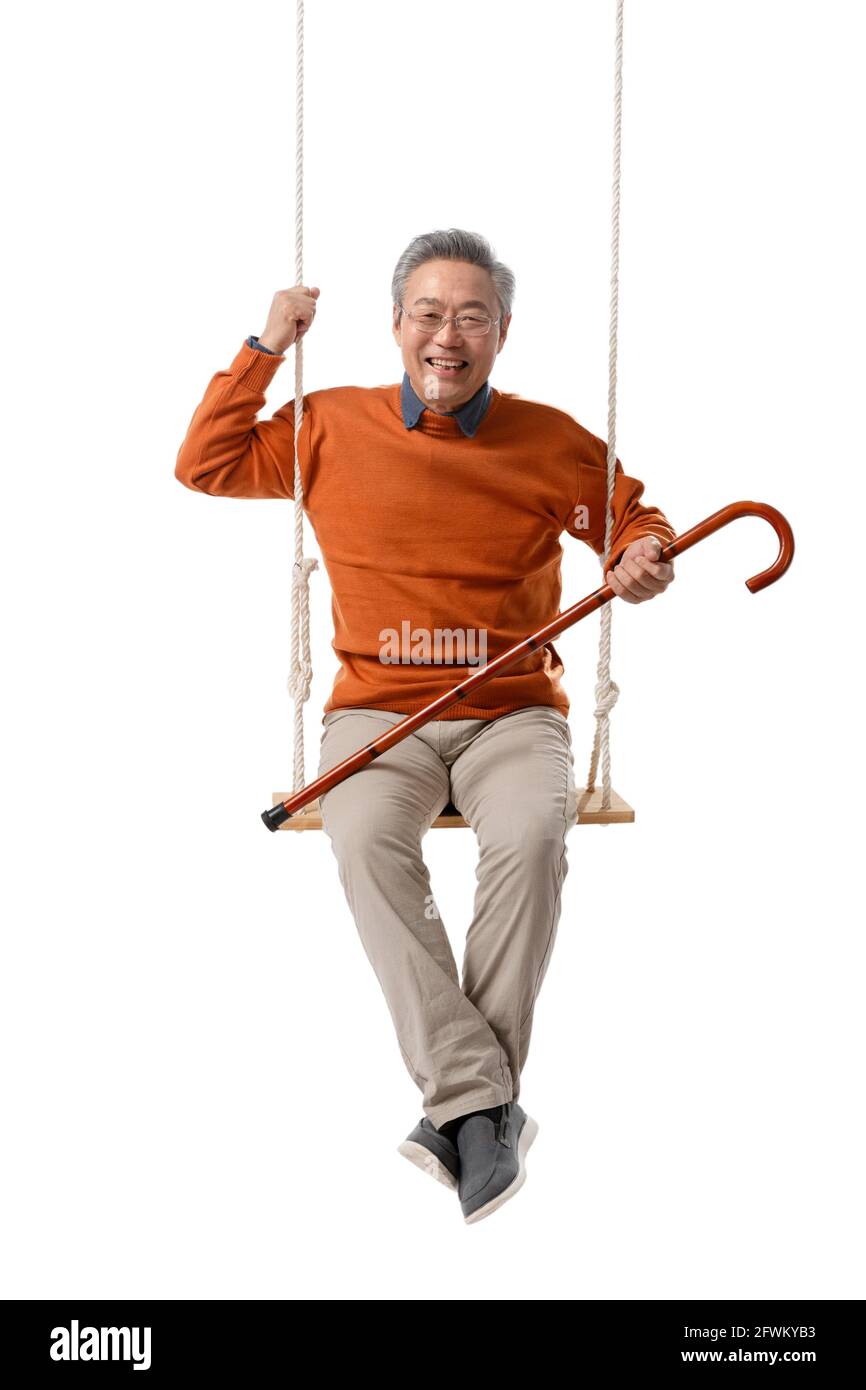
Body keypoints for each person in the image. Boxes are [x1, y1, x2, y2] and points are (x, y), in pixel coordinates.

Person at [175, 228, 676, 1223]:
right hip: (377, 714)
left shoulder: (548, 439)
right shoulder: (329, 427)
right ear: (397, 324)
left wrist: (642, 558)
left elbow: (636, 520)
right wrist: (264, 345)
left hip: (510, 715)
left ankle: (459, 1106)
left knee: (533, 834)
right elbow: (206, 462)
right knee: (360, 836)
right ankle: (482, 1104)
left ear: (501, 333)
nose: (448, 337)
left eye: (472, 317)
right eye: (429, 314)